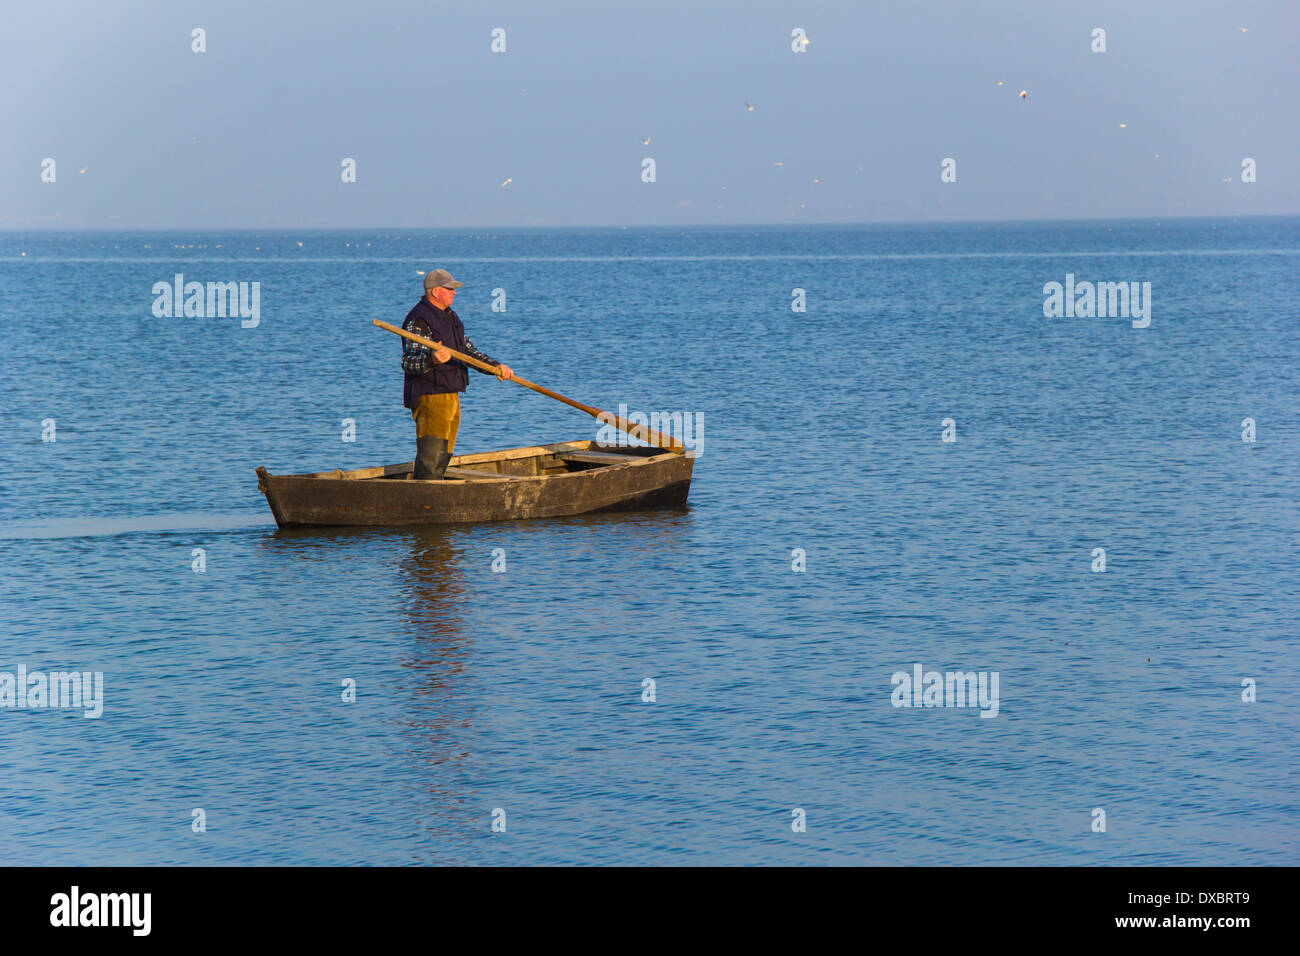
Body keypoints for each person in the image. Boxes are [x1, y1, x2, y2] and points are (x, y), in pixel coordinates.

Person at [401, 269, 513, 479]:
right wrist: (431, 360)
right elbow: (408, 362)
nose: (455, 293)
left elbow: (468, 351)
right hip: (430, 395)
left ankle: (435, 489)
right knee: (432, 454)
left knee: (445, 453)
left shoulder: (450, 317)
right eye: (450, 289)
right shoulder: (419, 320)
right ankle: (425, 495)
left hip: (451, 393)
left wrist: (495, 367)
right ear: (435, 292)